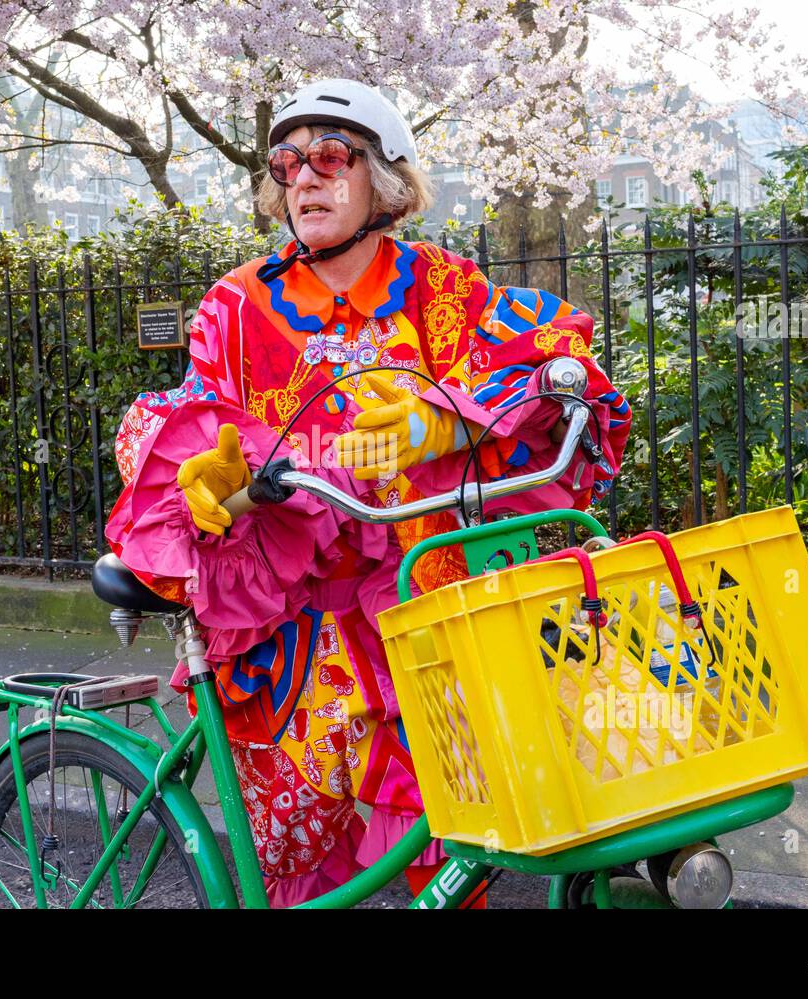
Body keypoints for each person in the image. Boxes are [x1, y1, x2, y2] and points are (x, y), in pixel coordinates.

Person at [105, 78, 631, 907]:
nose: (303, 178)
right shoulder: (234, 307)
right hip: (295, 627)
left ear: (382, 179)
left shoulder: (443, 289)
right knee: (290, 864)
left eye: (328, 156)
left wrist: (450, 422)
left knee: (452, 838)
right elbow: (190, 419)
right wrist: (210, 483)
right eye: (287, 163)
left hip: (424, 606)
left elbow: (552, 363)